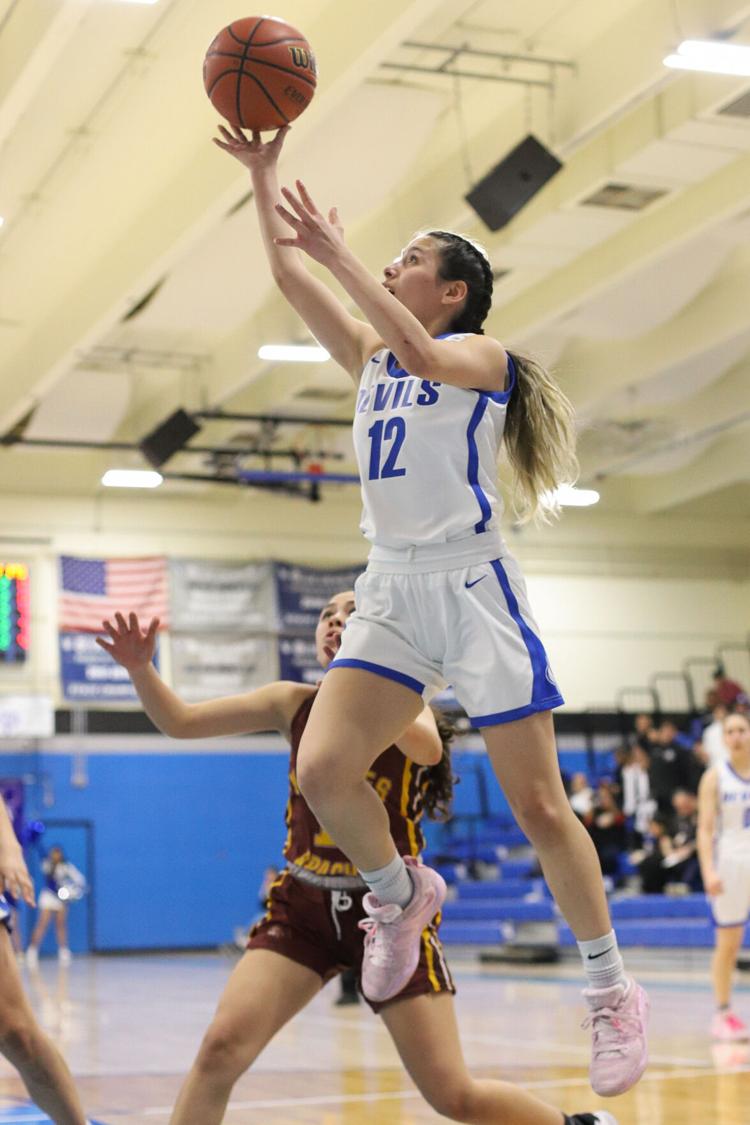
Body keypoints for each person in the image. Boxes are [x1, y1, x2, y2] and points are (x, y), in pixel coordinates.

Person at [211, 122, 648, 1097]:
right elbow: (291, 283)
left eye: (411, 260)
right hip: (393, 583)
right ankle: (401, 897)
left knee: (537, 803)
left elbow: (414, 346)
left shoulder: (483, 358)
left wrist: (338, 251)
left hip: (472, 585)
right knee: (325, 767)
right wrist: (263, 172)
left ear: (451, 292)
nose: (391, 266)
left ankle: (613, 990)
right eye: (392, 258)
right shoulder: (370, 356)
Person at [98, 601, 618, 1125]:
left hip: (392, 916)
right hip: (303, 906)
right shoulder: (291, 702)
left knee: (453, 1095)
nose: (336, 620)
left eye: (353, 612)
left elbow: (426, 748)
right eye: (327, 614)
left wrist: (364, 681)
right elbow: (182, 722)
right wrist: (141, 670)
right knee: (219, 1051)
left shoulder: (410, 705)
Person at [0, 800, 93, 1124]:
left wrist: (9, 849)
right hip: (48, 897)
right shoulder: (49, 864)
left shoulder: (63, 866)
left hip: (55, 898)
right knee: (43, 926)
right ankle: (36, 950)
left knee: (16, 1033)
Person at [697, 711, 750, 1042]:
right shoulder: (715, 777)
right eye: (730, 731)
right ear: (723, 738)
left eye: (742, 729)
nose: (736, 736)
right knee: (728, 944)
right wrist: (708, 870)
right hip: (730, 865)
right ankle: (722, 1012)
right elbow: (704, 829)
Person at [26, 845, 86, 967]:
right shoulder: (47, 865)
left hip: (61, 899)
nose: (56, 856)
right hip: (48, 896)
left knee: (60, 924)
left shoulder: (66, 867)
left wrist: (71, 891)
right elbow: (45, 866)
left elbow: (80, 879)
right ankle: (32, 950)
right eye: (54, 853)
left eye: (58, 853)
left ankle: (63, 950)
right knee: (42, 923)